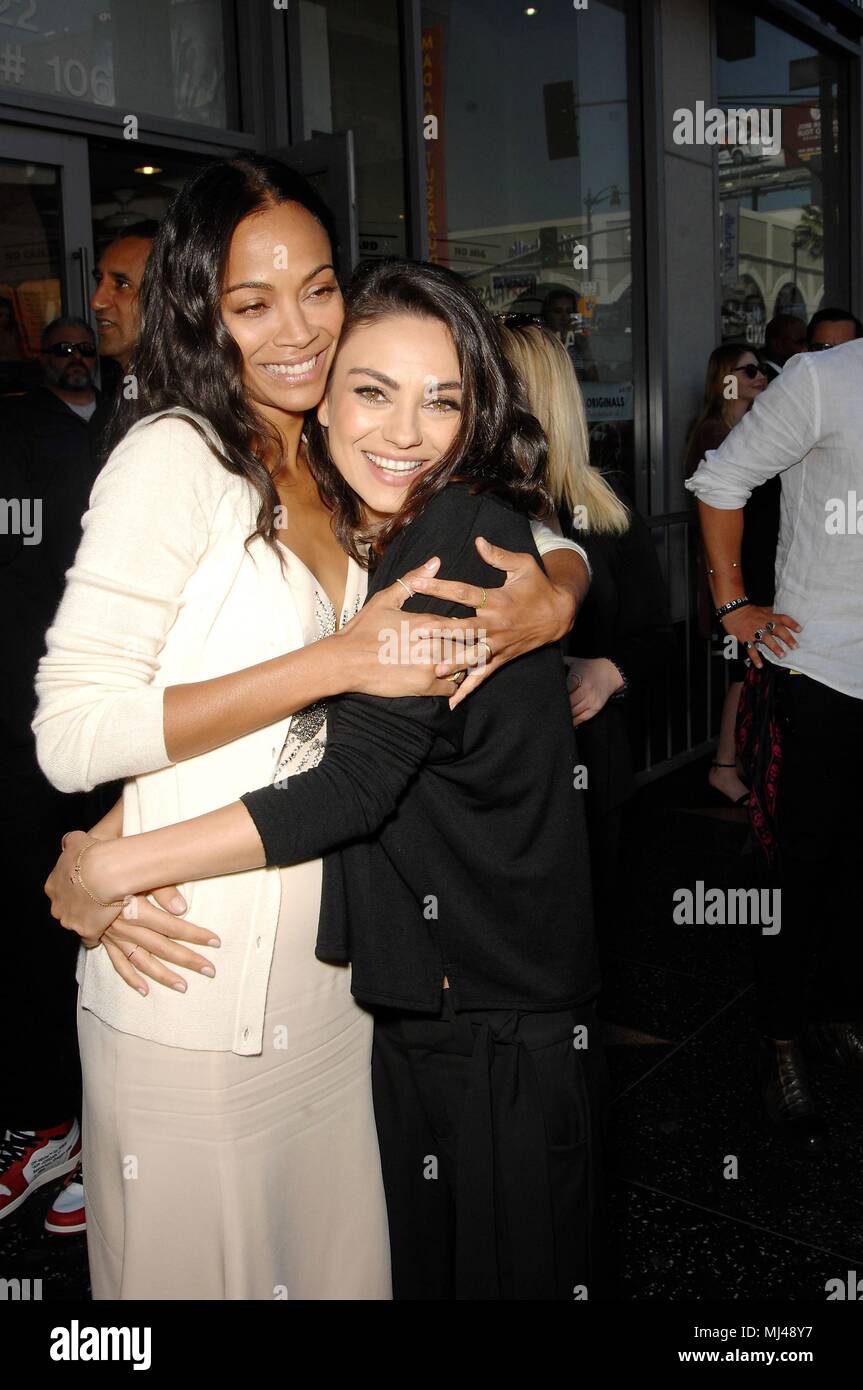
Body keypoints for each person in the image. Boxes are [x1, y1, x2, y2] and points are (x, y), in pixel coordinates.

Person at [33, 158, 590, 1299]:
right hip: (189, 971)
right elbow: (73, 734)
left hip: (340, 996)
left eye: (318, 288)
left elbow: (329, 738)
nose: (295, 331)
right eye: (250, 303)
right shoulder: (175, 460)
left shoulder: (339, 475)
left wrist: (566, 587)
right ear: (200, 309)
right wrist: (104, 851)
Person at [686, 338, 863, 1154]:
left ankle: (831, 1011)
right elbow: (721, 477)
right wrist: (731, 603)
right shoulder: (825, 378)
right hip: (822, 676)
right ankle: (780, 1045)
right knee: (797, 874)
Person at [501, 322, 673, 973]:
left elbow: (659, 637)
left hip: (587, 770)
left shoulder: (601, 509)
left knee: (581, 957)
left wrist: (609, 672)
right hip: (492, 781)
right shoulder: (463, 504)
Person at [0, 315, 107, 1237]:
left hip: (91, 739)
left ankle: (83, 1134)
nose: (77, 354)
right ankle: (57, 1126)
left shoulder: (108, 437)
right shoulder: (22, 431)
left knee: (79, 927)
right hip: (32, 739)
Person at [684, 343, 777, 805]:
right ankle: (723, 766)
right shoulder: (714, 432)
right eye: (750, 370)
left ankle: (735, 758)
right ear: (725, 378)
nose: (761, 376)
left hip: (753, 572)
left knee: (750, 669)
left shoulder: (753, 429)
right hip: (731, 580)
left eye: (762, 368)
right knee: (742, 671)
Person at [88, 221, 158, 465]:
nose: (97, 301)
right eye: (99, 280)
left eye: (121, 284)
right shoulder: (109, 413)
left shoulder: (195, 411)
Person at [759, 312, 806, 382]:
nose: (806, 347)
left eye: (807, 342)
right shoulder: (765, 381)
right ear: (777, 344)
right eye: (800, 342)